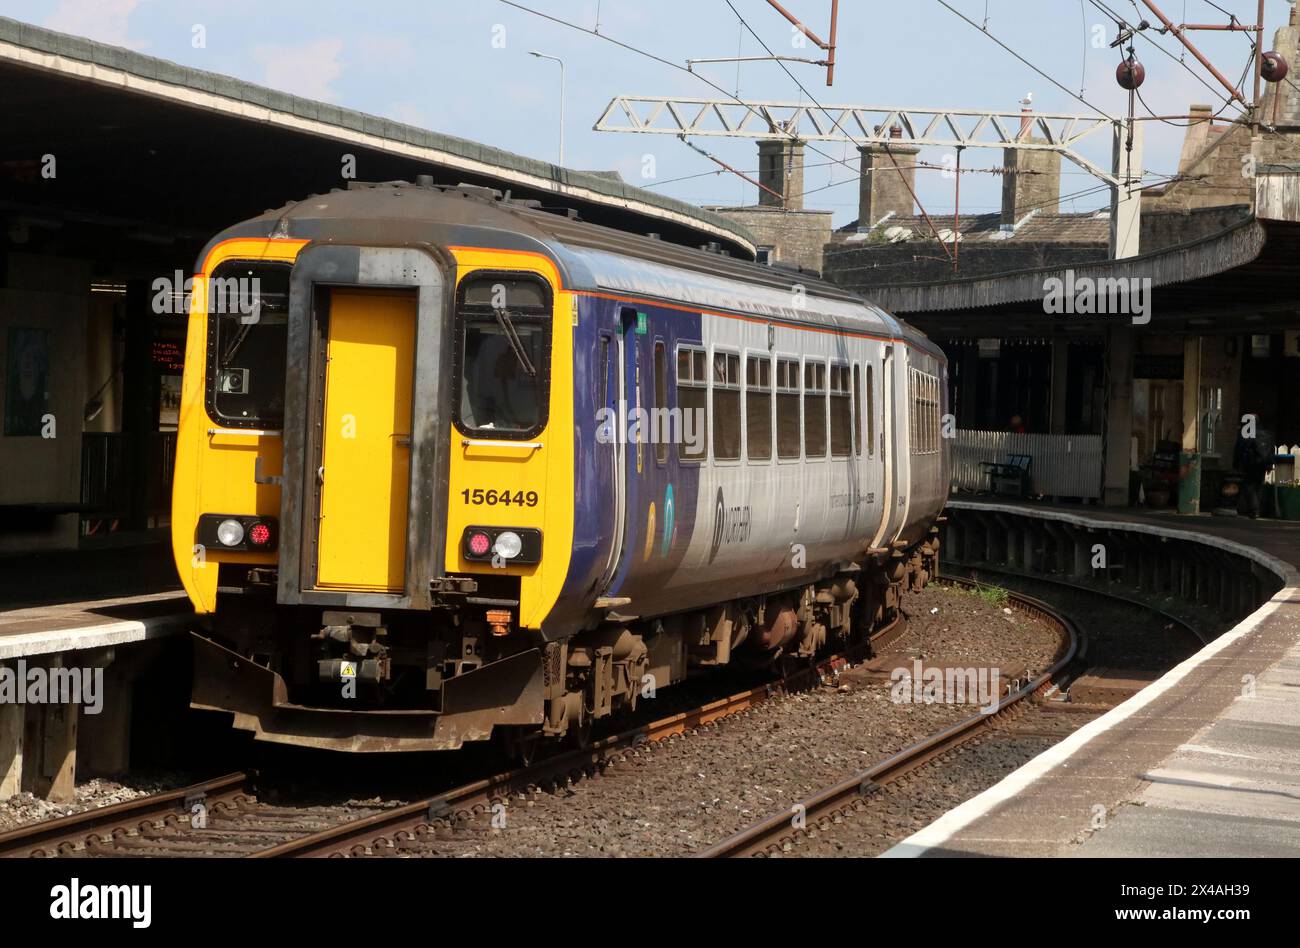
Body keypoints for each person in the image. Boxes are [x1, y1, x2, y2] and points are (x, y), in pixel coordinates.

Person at [1233, 415, 1275, 519]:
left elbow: (1239, 449)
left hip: (1250, 464)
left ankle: (1254, 510)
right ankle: (1256, 510)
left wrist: (1237, 463)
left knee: (1249, 485)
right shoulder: (1266, 434)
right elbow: (1271, 451)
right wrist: (1269, 464)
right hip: (1263, 464)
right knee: (1258, 486)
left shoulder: (1246, 434)